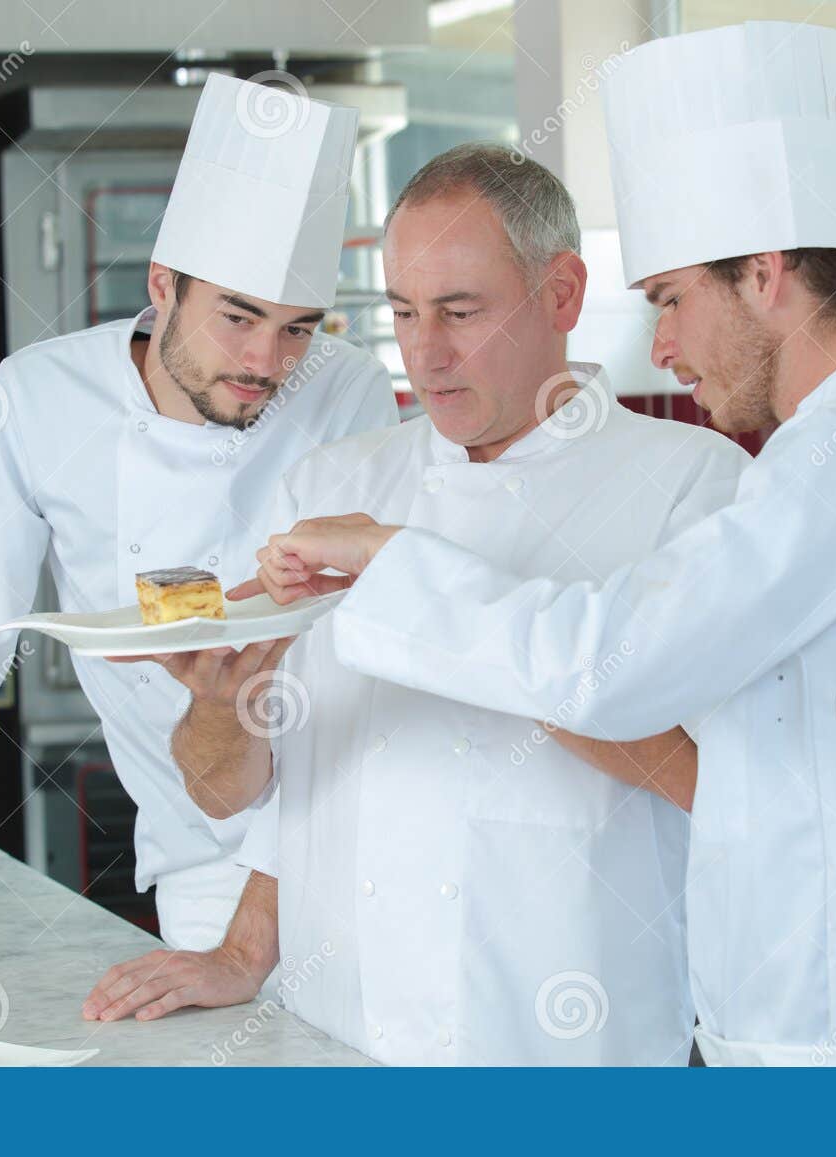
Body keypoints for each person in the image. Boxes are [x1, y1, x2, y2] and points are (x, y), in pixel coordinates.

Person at [236, 23, 836, 1066]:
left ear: (764, 276)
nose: (659, 345)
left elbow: (602, 663)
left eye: (669, 298)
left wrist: (388, 554)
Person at [97, 144, 748, 1062]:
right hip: (339, 1042)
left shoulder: (692, 489)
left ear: (561, 293)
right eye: (402, 311)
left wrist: (426, 597)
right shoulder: (335, 486)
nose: (424, 353)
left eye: (460, 311)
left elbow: (708, 781)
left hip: (568, 1052)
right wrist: (216, 707)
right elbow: (234, 792)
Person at [0, 74, 398, 1013]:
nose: (267, 364)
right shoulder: (41, 398)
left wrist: (256, 943)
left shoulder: (348, 390)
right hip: (196, 869)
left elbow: (351, 692)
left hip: (346, 846)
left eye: (298, 329)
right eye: (239, 317)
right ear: (162, 285)